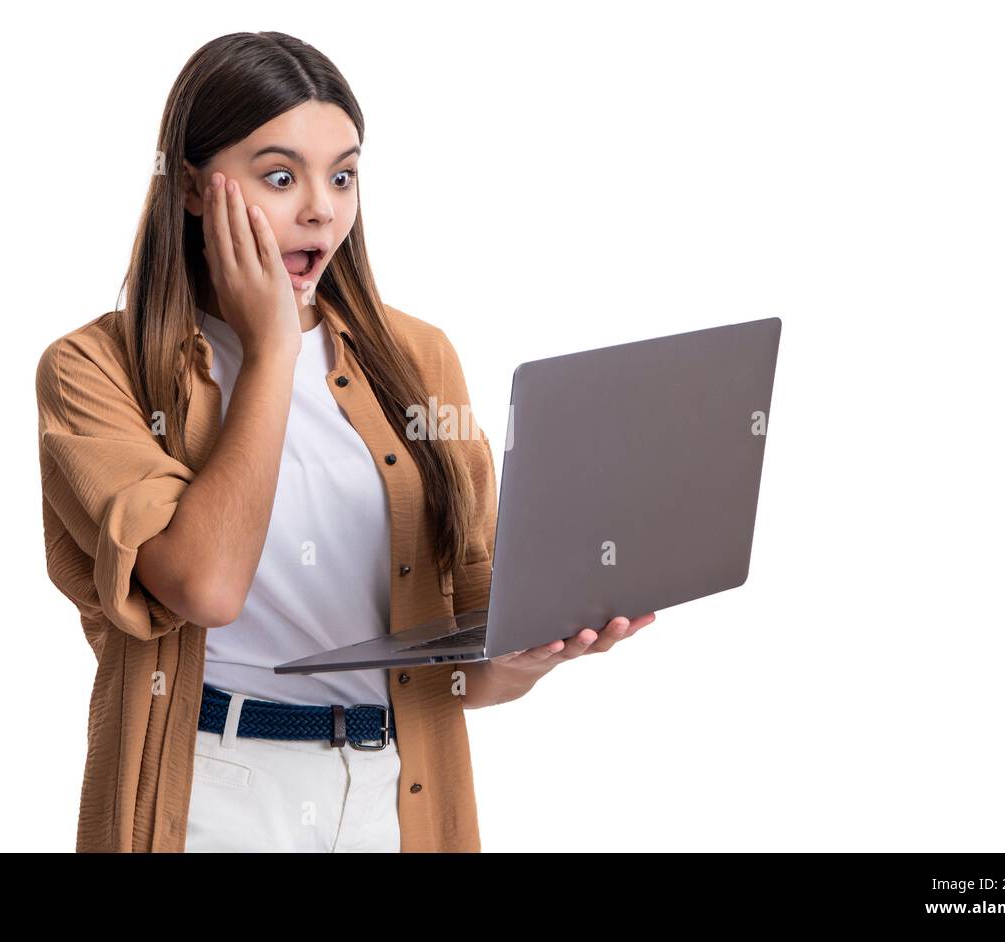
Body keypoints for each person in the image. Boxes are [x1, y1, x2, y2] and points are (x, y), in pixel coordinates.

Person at [34, 30, 655, 853]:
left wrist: (536, 654)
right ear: (190, 186)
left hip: (395, 790)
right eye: (281, 176)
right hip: (214, 789)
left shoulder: (417, 358)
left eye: (344, 175)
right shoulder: (93, 369)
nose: (322, 209)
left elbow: (466, 664)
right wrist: (272, 350)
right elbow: (205, 587)